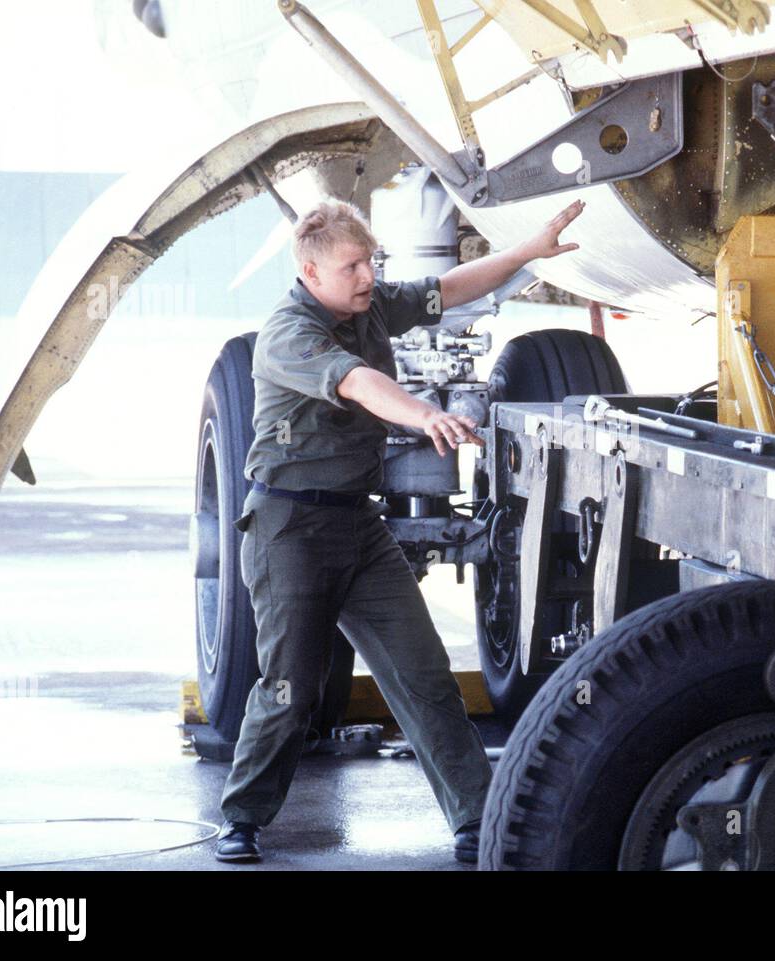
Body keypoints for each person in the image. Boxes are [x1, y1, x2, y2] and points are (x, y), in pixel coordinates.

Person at [215, 195, 584, 865]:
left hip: (358, 523)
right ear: (311, 269)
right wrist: (423, 416)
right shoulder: (288, 333)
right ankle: (242, 816)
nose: (367, 276)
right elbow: (356, 381)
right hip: (289, 528)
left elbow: (444, 291)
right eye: (354, 265)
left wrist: (526, 252)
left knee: (425, 675)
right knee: (290, 689)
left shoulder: (370, 303)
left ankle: (478, 818)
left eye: (371, 262)